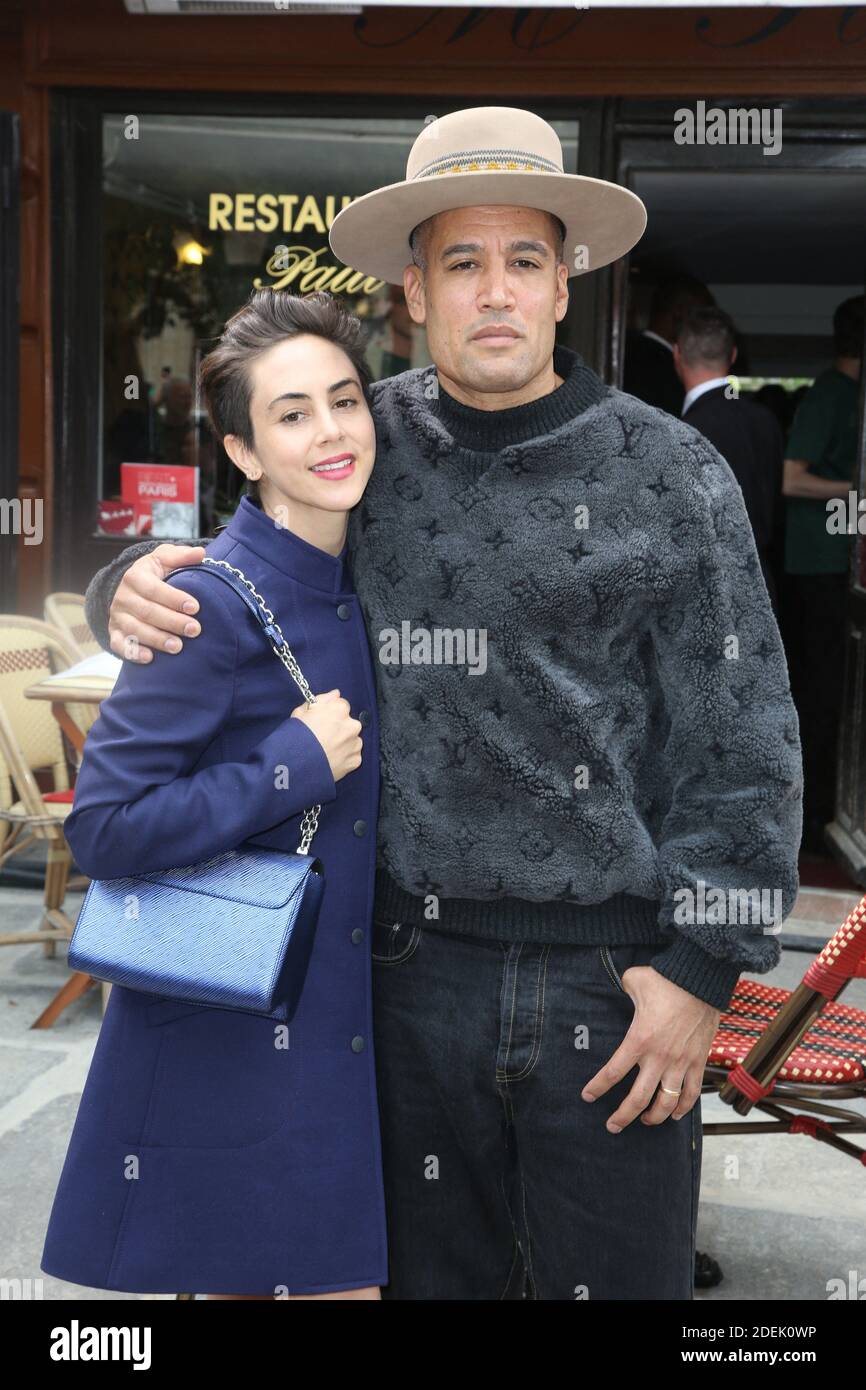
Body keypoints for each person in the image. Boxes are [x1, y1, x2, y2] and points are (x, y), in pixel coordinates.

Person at [80, 106, 803, 1301]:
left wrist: (698, 972)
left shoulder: (673, 473)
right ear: (414, 291)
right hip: (397, 982)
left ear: (564, 283)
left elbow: (747, 743)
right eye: (462, 262)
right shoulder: (361, 443)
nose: (495, 291)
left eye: (524, 259)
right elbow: (247, 563)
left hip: (613, 982)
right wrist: (127, 584)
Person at [41, 289, 387, 1300]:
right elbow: (103, 828)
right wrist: (289, 765)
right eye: (292, 414)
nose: (331, 431)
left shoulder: (357, 575)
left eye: (345, 400)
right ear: (242, 450)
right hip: (234, 1034)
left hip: (338, 1030)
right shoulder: (203, 602)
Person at [781, 294, 864, 855]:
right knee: (823, 696)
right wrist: (858, 487)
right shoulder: (829, 394)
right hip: (819, 566)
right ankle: (811, 824)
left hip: (840, 563)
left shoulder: (851, 395)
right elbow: (792, 478)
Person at [675, 305, 785, 619]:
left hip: (705, 593)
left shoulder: (682, 431)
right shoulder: (765, 420)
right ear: (733, 355)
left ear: (677, 353)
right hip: (762, 586)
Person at [623, 274, 714, 416]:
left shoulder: (625, 352)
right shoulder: (673, 373)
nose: (704, 327)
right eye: (700, 316)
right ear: (680, 312)